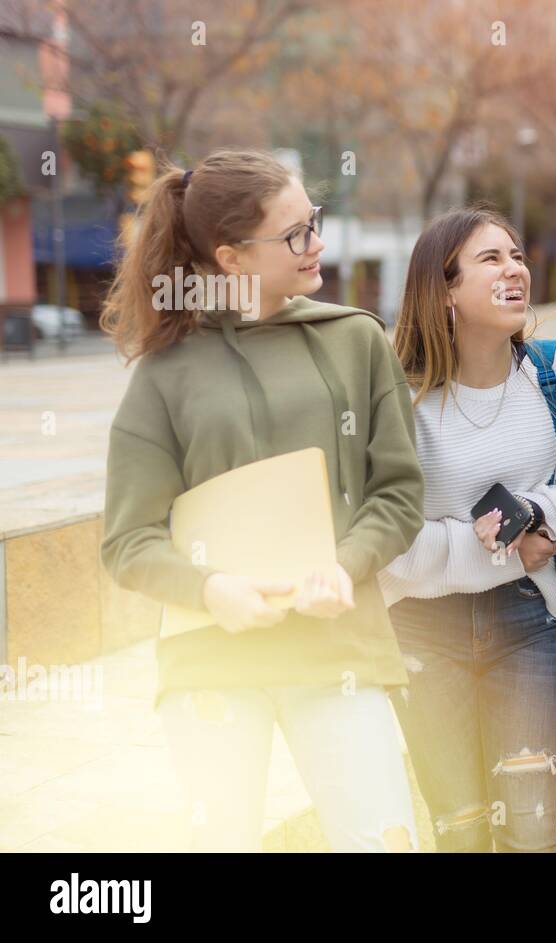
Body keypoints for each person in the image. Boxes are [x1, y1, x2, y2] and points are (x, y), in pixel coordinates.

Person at [99, 148, 426, 852]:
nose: (318, 243)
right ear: (231, 257)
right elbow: (128, 539)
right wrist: (210, 588)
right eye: (295, 233)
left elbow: (398, 492)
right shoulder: (164, 373)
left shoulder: (356, 339)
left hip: (337, 646)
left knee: (384, 841)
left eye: (314, 221)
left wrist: (344, 563)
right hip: (211, 658)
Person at [378, 205, 556, 852]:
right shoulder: (396, 395)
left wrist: (542, 514)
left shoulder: (552, 372)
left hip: (529, 622)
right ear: (444, 288)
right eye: (491, 259)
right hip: (423, 631)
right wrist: (503, 548)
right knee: (458, 829)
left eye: (517, 255)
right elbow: (387, 539)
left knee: (532, 829)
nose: (515, 269)